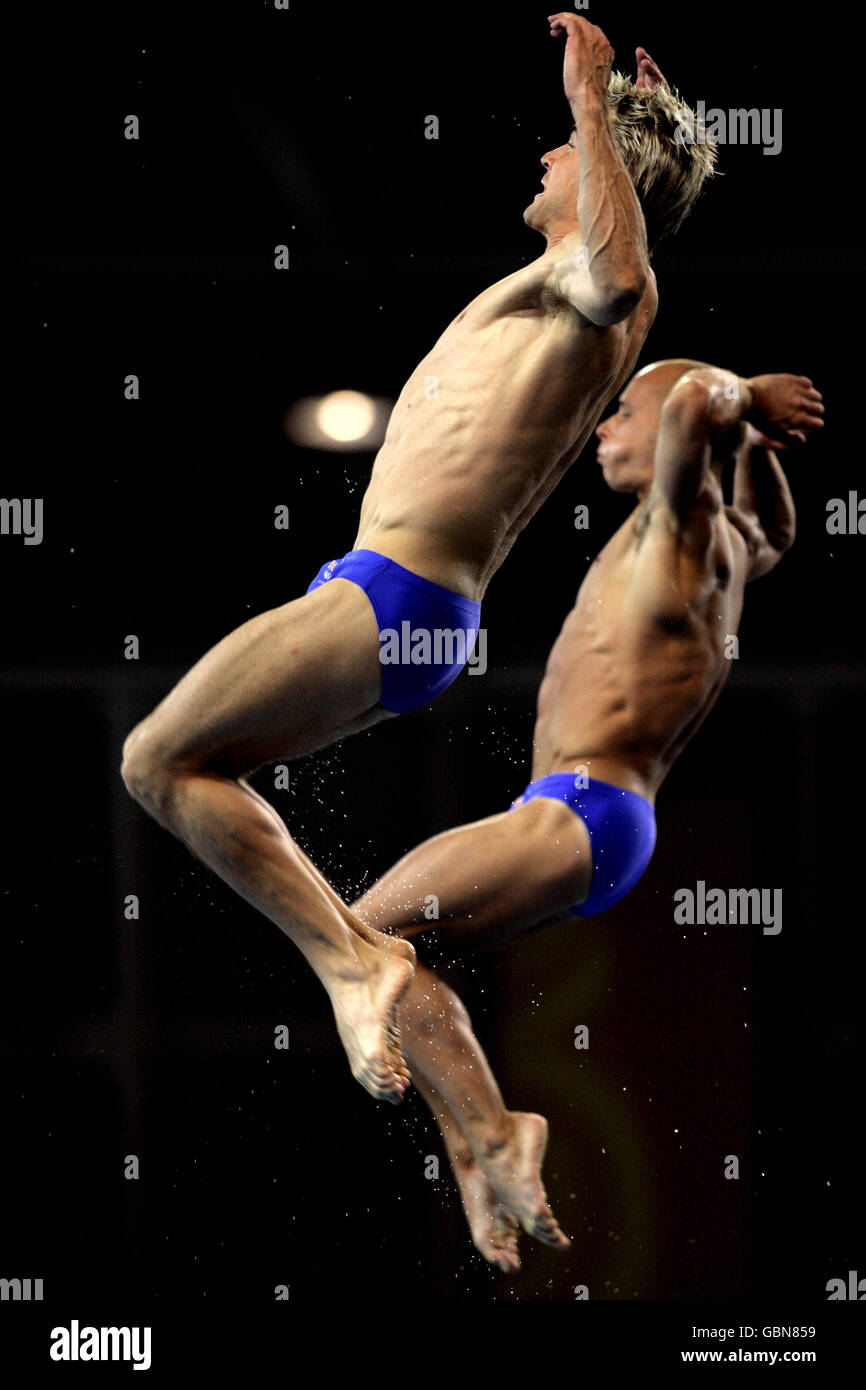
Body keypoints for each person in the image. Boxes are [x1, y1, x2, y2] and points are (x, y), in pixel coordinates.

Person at [120, 15, 715, 1105]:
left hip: (400, 596)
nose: (541, 157)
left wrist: (597, 107)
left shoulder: (598, 289)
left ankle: (355, 966)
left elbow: (623, 272)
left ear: (596, 170)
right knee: (197, 774)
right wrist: (643, 129)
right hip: (395, 597)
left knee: (159, 762)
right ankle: (474, 1122)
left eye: (560, 147)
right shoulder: (553, 286)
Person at [352, 360, 824, 1269]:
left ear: (679, 438)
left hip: (579, 809)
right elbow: (775, 530)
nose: (604, 427)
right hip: (599, 824)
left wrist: (742, 400)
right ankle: (480, 1147)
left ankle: (493, 1132)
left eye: (623, 412)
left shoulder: (678, 526)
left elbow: (693, 398)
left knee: (362, 933)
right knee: (400, 962)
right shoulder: (721, 539)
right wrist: (757, 447)